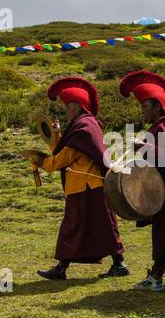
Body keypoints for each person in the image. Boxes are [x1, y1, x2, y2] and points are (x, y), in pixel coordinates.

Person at [30, 77, 127, 280]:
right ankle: (114, 263)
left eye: (68, 106)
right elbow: (65, 150)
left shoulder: (81, 129)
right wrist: (56, 136)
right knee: (99, 225)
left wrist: (40, 161)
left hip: (86, 186)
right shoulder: (86, 124)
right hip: (90, 185)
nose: (67, 111)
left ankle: (64, 268)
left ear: (77, 105)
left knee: (77, 227)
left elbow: (60, 160)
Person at [119, 70, 165, 292]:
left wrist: (143, 147)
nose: (142, 112)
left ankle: (158, 277)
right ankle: (159, 275)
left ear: (157, 107)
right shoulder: (158, 128)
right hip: (161, 191)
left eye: (145, 107)